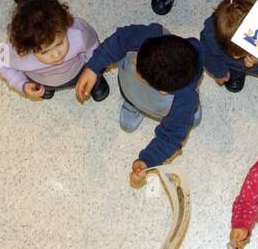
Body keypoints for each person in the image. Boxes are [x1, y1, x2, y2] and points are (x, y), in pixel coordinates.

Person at [77, 25, 204, 185]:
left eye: (139, 71)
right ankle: (133, 103)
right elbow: (119, 41)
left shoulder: (183, 102)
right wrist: (93, 68)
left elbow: (170, 138)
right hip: (133, 91)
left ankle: (191, 111)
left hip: (165, 105)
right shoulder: (148, 38)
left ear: (163, 91)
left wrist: (147, 160)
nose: (135, 60)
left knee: (184, 117)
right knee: (133, 92)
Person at [0, 0, 110, 101]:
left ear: (65, 27)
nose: (56, 55)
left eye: (59, 44)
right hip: (42, 81)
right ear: (27, 49)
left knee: (94, 72)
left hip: (80, 71)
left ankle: (95, 80)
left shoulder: (78, 34)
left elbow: (94, 46)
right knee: (41, 90)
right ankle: (48, 89)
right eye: (45, 52)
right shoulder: (19, 52)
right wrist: (21, 84)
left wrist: (94, 69)